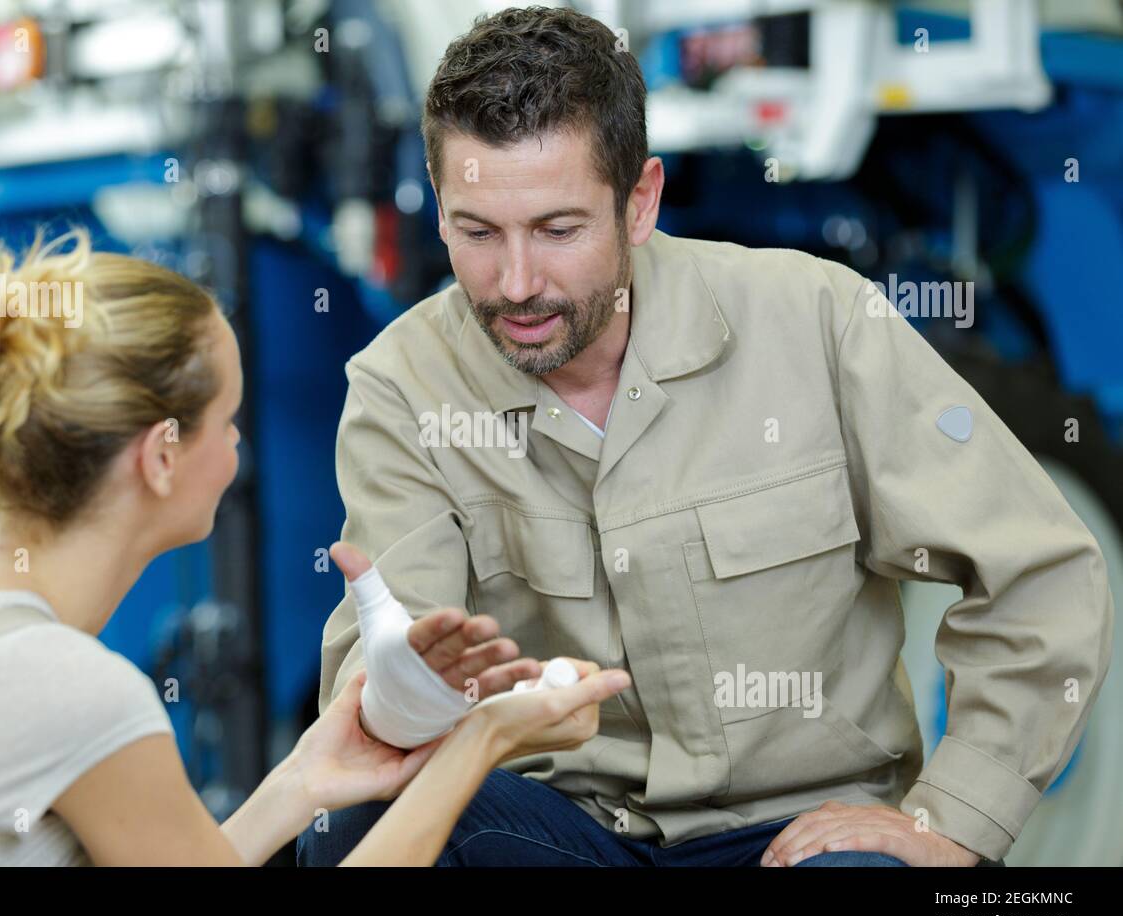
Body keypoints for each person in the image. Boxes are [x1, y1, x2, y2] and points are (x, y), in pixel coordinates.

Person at [299, 6, 1113, 867]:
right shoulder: (402, 386)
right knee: (363, 827)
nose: (517, 283)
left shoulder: (818, 322)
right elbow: (385, 703)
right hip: (566, 832)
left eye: (558, 229)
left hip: (798, 834)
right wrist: (402, 687)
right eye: (477, 232)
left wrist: (952, 821)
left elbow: (1040, 573)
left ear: (640, 200)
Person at [0, 228, 630, 866]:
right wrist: (483, 739)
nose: (239, 448)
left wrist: (301, 779)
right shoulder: (67, 688)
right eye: (228, 421)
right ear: (162, 455)